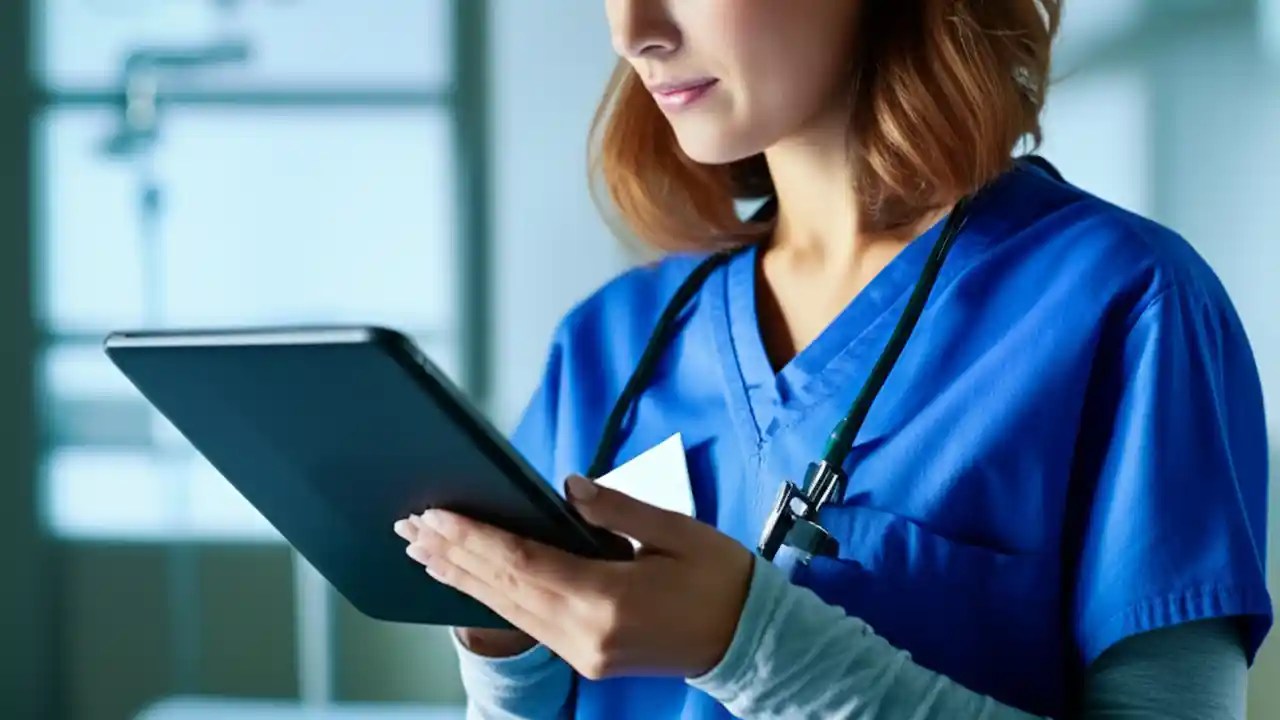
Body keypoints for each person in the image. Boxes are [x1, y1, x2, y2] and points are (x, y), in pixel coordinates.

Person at [393, 1, 1272, 718]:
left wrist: (746, 644)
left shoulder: (1123, 303)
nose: (633, 32)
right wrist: (506, 652)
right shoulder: (611, 342)